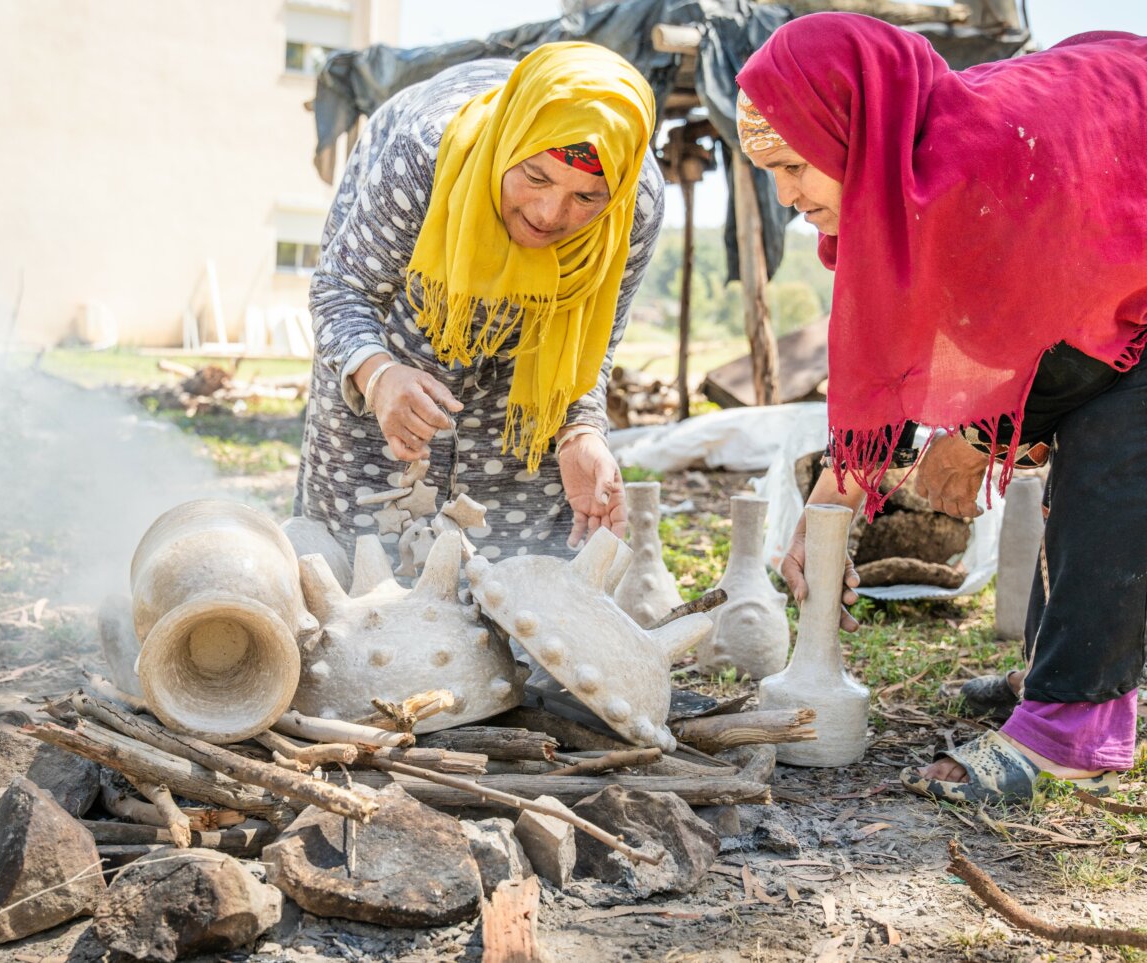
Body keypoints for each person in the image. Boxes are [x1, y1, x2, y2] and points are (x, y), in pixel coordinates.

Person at [735, 14, 1147, 803]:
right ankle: (1064, 677)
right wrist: (830, 505)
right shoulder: (904, 181)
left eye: (791, 166)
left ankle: (1075, 727)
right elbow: (894, 356)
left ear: (849, 132)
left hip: (1126, 282)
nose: (785, 197)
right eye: (769, 173)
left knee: (1115, 443)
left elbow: (1088, 326)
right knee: (1091, 441)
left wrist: (978, 438)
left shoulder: (986, 158)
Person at [294, 42, 663, 565]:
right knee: (364, 543)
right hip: (403, 316)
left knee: (512, 553)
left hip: (534, 344)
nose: (549, 214)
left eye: (586, 198)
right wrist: (379, 377)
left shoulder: (634, 207)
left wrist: (580, 430)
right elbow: (342, 289)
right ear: (507, 148)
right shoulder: (424, 154)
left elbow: (590, 346)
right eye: (535, 177)